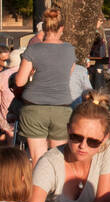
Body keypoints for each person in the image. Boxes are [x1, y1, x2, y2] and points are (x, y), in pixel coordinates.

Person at [14, 8, 79, 164]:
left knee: (38, 158)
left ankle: (38, 186)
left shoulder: (33, 49)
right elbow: (67, 74)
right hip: (61, 106)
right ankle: (57, 187)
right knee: (58, 158)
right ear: (62, 28)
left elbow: (19, 81)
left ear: (44, 28)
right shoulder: (70, 50)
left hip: (34, 107)